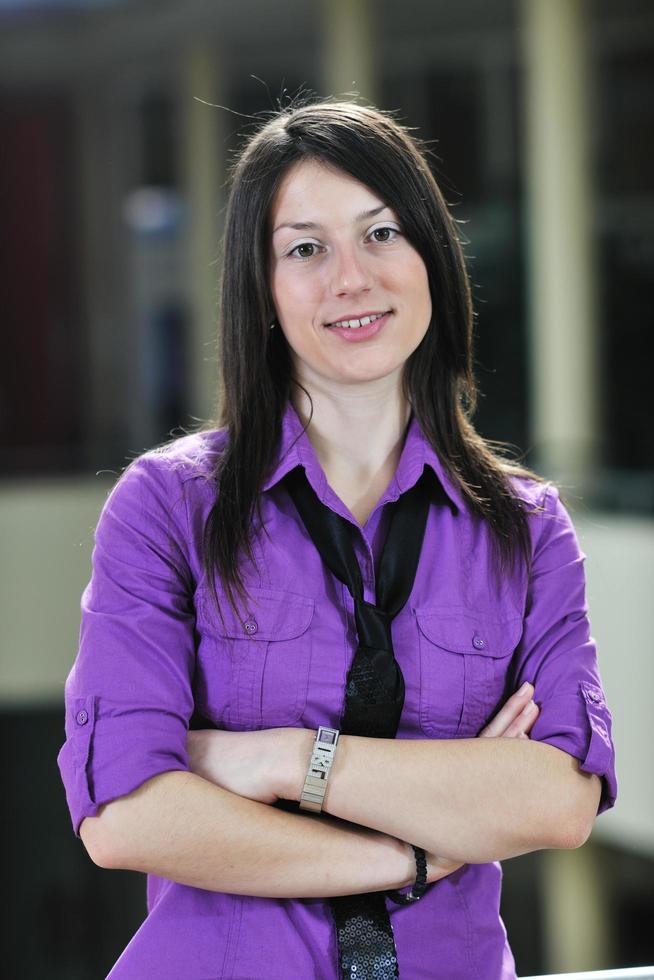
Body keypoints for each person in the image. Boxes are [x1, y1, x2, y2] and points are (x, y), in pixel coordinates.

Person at [57, 98, 617, 980]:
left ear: (432, 255)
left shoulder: (526, 527)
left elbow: (558, 803)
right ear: (263, 287)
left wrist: (281, 761)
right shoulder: (166, 508)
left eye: (383, 233)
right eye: (306, 248)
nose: (352, 278)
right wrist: (414, 855)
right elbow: (127, 816)